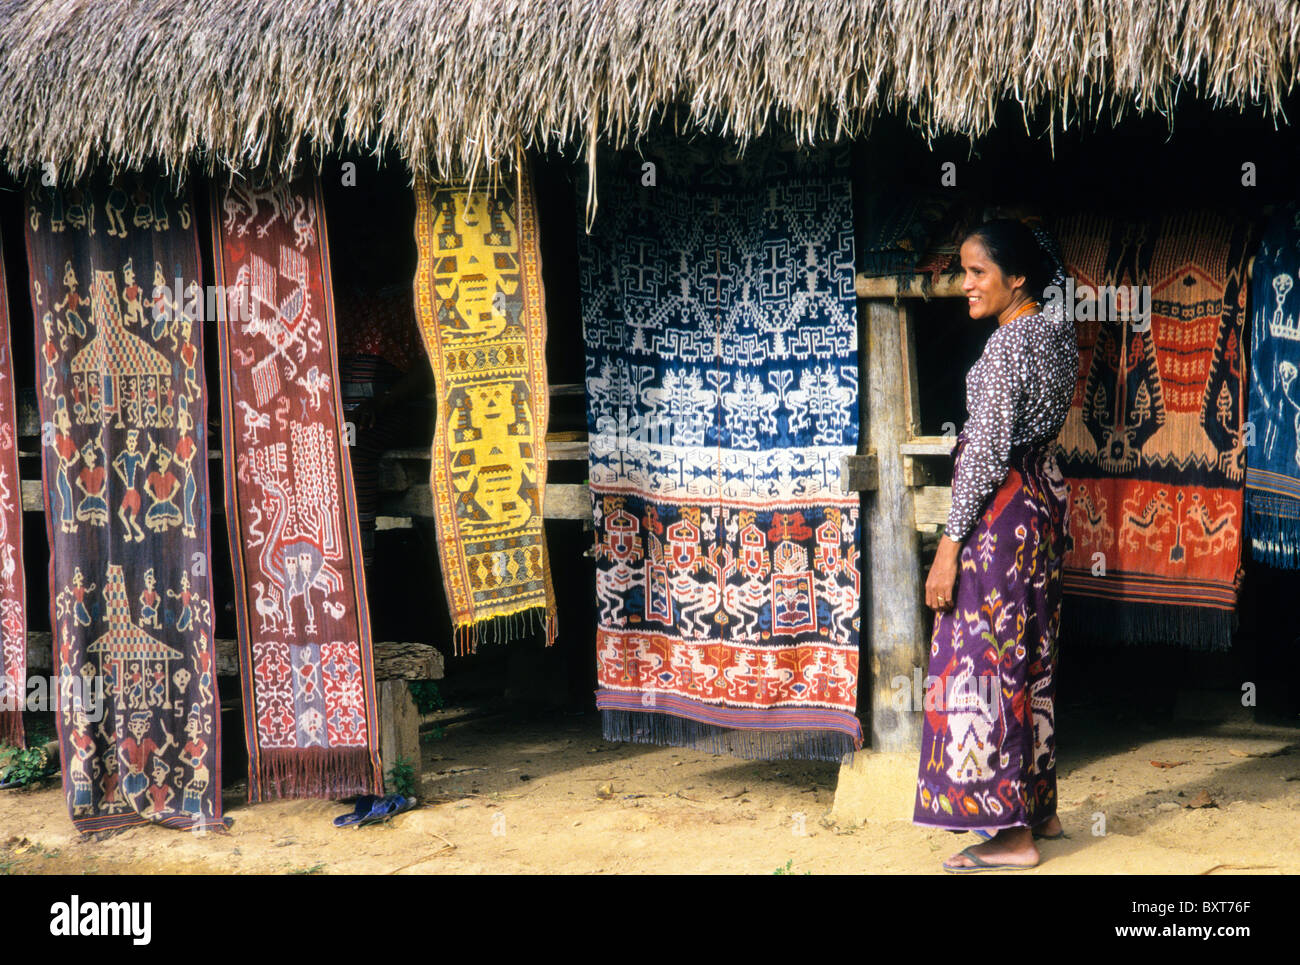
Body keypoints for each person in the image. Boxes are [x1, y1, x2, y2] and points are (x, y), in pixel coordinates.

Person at [913, 216, 1078, 872]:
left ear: (1016, 279)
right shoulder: (1055, 332)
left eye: (978, 272)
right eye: (962, 271)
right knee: (1031, 653)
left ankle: (1010, 836)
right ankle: (1041, 807)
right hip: (1038, 511)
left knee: (982, 663)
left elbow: (983, 453)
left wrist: (949, 548)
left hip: (1000, 518)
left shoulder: (1008, 348)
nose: (964, 284)